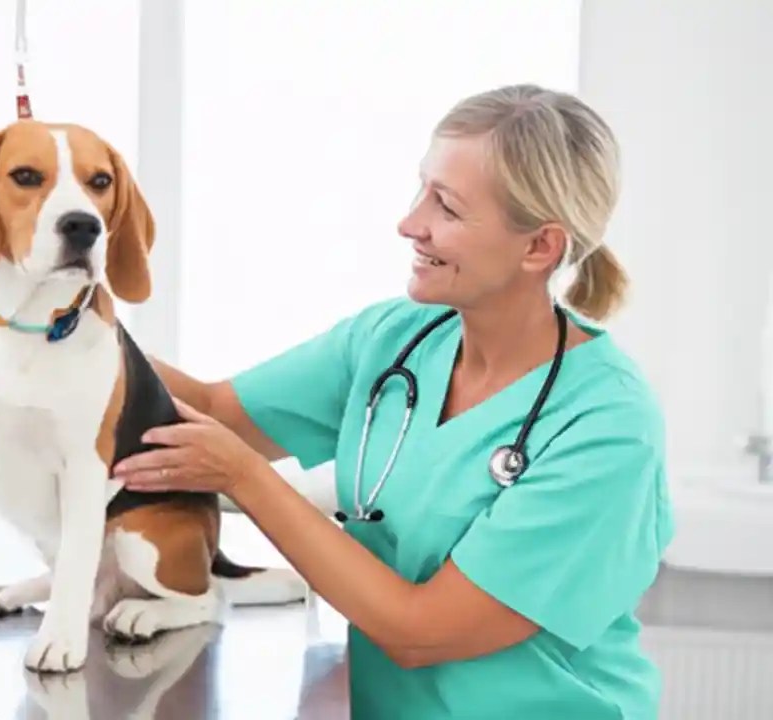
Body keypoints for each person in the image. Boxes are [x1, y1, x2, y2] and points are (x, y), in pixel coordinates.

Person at [113, 84, 674, 720]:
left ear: (539, 247)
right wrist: (76, 317)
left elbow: (421, 632)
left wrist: (243, 478)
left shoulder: (606, 428)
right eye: (421, 189)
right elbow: (217, 410)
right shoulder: (395, 340)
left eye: (448, 208)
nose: (410, 224)